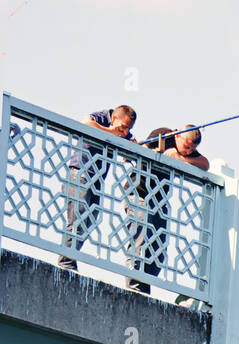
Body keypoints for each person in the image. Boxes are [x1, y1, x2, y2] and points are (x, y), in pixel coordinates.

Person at [59, 104, 137, 272]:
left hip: (97, 179)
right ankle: (66, 262)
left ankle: (69, 257)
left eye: (127, 129)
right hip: (81, 171)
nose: (124, 132)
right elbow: (85, 123)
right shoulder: (102, 117)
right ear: (115, 119)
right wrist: (112, 133)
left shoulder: (123, 132)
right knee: (76, 219)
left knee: (90, 221)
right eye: (123, 127)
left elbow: (131, 147)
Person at [125, 125, 175, 295]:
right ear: (181, 138)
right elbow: (144, 147)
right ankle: (133, 285)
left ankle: (144, 285)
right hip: (139, 192)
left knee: (159, 248)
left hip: (159, 200)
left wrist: (178, 156)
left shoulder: (185, 152)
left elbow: (204, 164)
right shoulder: (164, 134)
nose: (189, 150)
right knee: (140, 236)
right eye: (188, 146)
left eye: (192, 148)